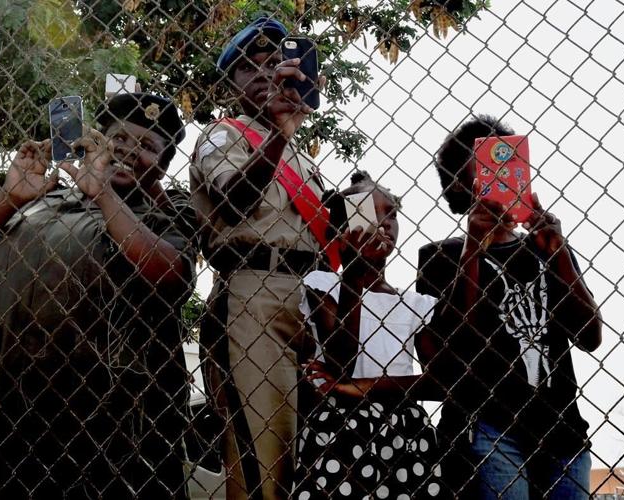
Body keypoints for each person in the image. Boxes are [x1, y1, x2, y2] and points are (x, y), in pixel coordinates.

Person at [0, 93, 196, 499]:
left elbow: (171, 277)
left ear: (162, 168)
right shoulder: (38, 201)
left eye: (147, 145)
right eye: (118, 138)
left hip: (100, 427)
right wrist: (10, 197)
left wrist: (104, 195)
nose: (128, 150)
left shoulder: (163, 216)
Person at [189, 16, 337, 500]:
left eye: (273, 63)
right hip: (253, 291)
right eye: (247, 68)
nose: (262, 73)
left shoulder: (303, 155)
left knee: (316, 455)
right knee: (264, 456)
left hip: (313, 297)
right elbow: (235, 201)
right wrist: (277, 135)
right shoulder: (223, 134)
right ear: (231, 84)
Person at [417, 115, 603, 499]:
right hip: (488, 426)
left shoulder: (544, 248)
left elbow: (590, 337)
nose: (500, 171)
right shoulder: (440, 256)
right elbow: (453, 345)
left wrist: (560, 255)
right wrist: (473, 248)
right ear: (459, 182)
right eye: (485, 161)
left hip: (562, 431)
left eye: (509, 159)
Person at [292, 172, 444, 499]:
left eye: (391, 213)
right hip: (339, 428)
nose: (384, 222)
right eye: (371, 213)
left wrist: (367, 386)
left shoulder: (416, 303)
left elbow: (439, 382)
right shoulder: (323, 284)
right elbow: (341, 361)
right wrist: (353, 273)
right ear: (342, 229)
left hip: (403, 430)